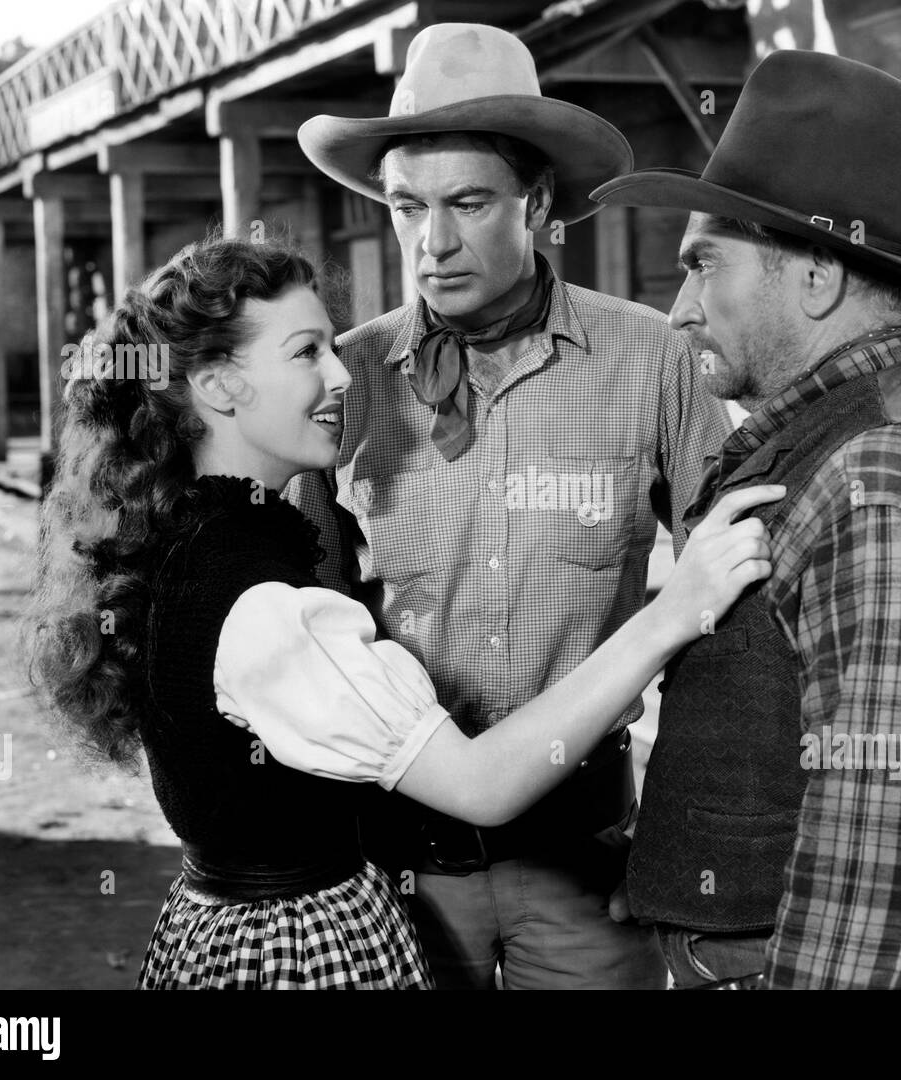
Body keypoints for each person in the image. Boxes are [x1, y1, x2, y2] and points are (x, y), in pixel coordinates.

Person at [24, 237, 779, 990]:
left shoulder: (200, 539)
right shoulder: (261, 605)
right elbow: (480, 785)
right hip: (299, 945)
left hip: (271, 913)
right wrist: (670, 612)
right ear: (219, 387)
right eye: (306, 353)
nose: (343, 372)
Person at [289, 23, 732, 989]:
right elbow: (303, 633)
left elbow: (728, 619)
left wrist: (682, 837)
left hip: (589, 868)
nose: (432, 243)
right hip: (393, 876)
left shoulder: (652, 359)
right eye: (408, 207)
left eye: (468, 204)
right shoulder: (345, 377)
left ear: (535, 204)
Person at [590, 50, 901, 989]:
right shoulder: (848, 430)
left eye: (704, 264)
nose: (678, 311)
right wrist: (683, 860)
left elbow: (874, 870)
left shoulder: (883, 473)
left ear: (819, 276)